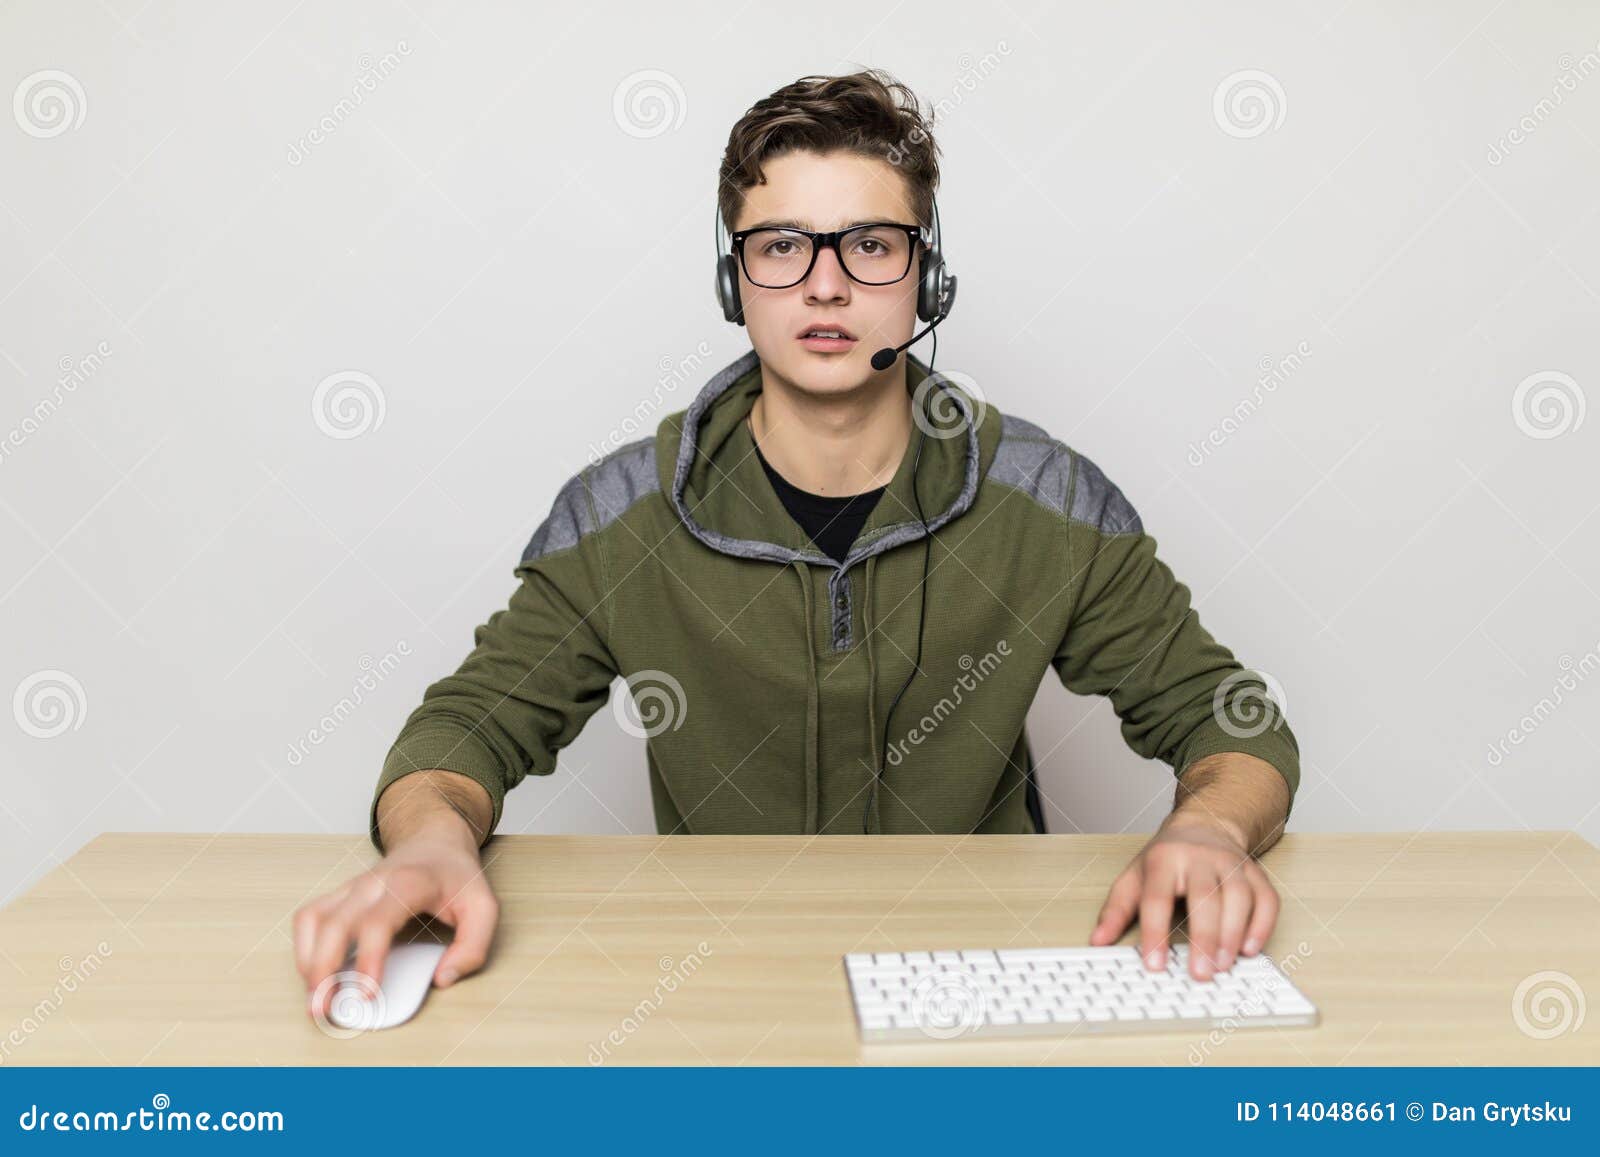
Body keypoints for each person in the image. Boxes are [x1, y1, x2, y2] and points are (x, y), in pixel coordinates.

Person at [294, 69, 1299, 1020]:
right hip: (717, 979)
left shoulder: (1045, 498)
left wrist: (1207, 831)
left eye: (868, 244)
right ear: (736, 282)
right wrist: (429, 842)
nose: (824, 286)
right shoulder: (622, 514)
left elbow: (1231, 720)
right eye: (780, 246)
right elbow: (465, 729)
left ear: (926, 277)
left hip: (981, 975)